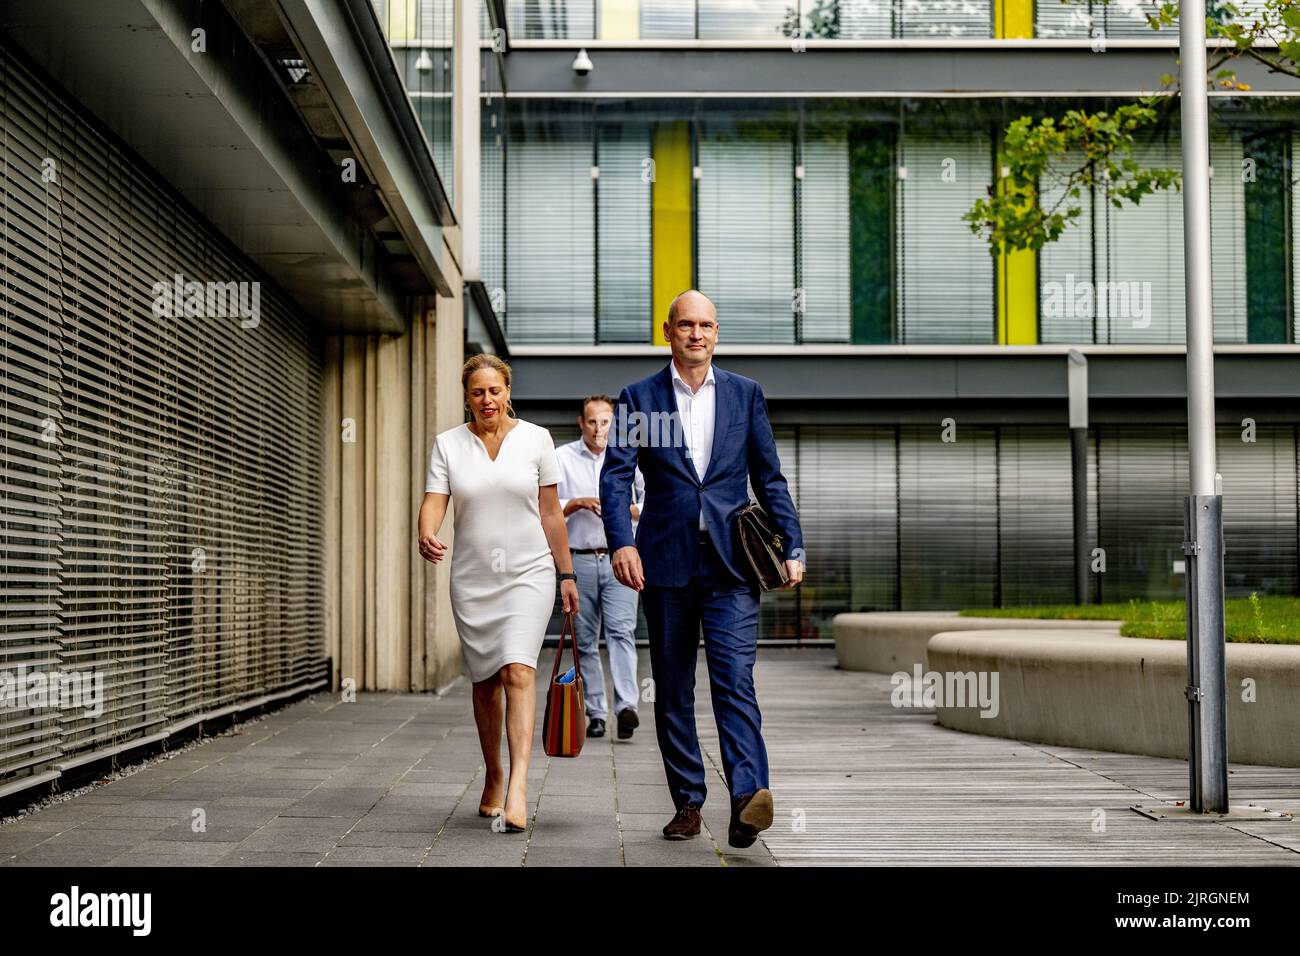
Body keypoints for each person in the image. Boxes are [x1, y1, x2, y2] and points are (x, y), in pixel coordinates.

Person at [599, 289, 804, 849]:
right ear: (667, 332)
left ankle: (746, 799)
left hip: (732, 564)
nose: (697, 334)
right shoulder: (639, 398)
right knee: (671, 688)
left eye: (707, 325)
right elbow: (616, 476)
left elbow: (770, 477)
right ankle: (688, 801)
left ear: (717, 333)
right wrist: (622, 542)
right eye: (686, 325)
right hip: (663, 563)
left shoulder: (745, 395)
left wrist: (794, 545)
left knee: (735, 681)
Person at [417, 354, 579, 834]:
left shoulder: (537, 440)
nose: (486, 400)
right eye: (477, 393)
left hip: (529, 573)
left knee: (517, 671)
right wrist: (426, 532)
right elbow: (435, 500)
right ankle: (493, 774)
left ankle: (519, 787)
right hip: (473, 578)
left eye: (494, 390)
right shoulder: (448, 444)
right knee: (484, 680)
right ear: (466, 397)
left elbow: (551, 513)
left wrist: (566, 573)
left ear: (508, 390)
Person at [556, 395, 645, 741]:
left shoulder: (630, 458)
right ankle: (595, 713)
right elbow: (544, 504)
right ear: (581, 423)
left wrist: (621, 509)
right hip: (578, 559)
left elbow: (650, 503)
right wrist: (576, 503)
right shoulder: (561, 458)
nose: (598, 429)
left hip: (620, 558)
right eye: (592, 422)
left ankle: (626, 707)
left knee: (622, 632)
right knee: (587, 642)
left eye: (605, 422)